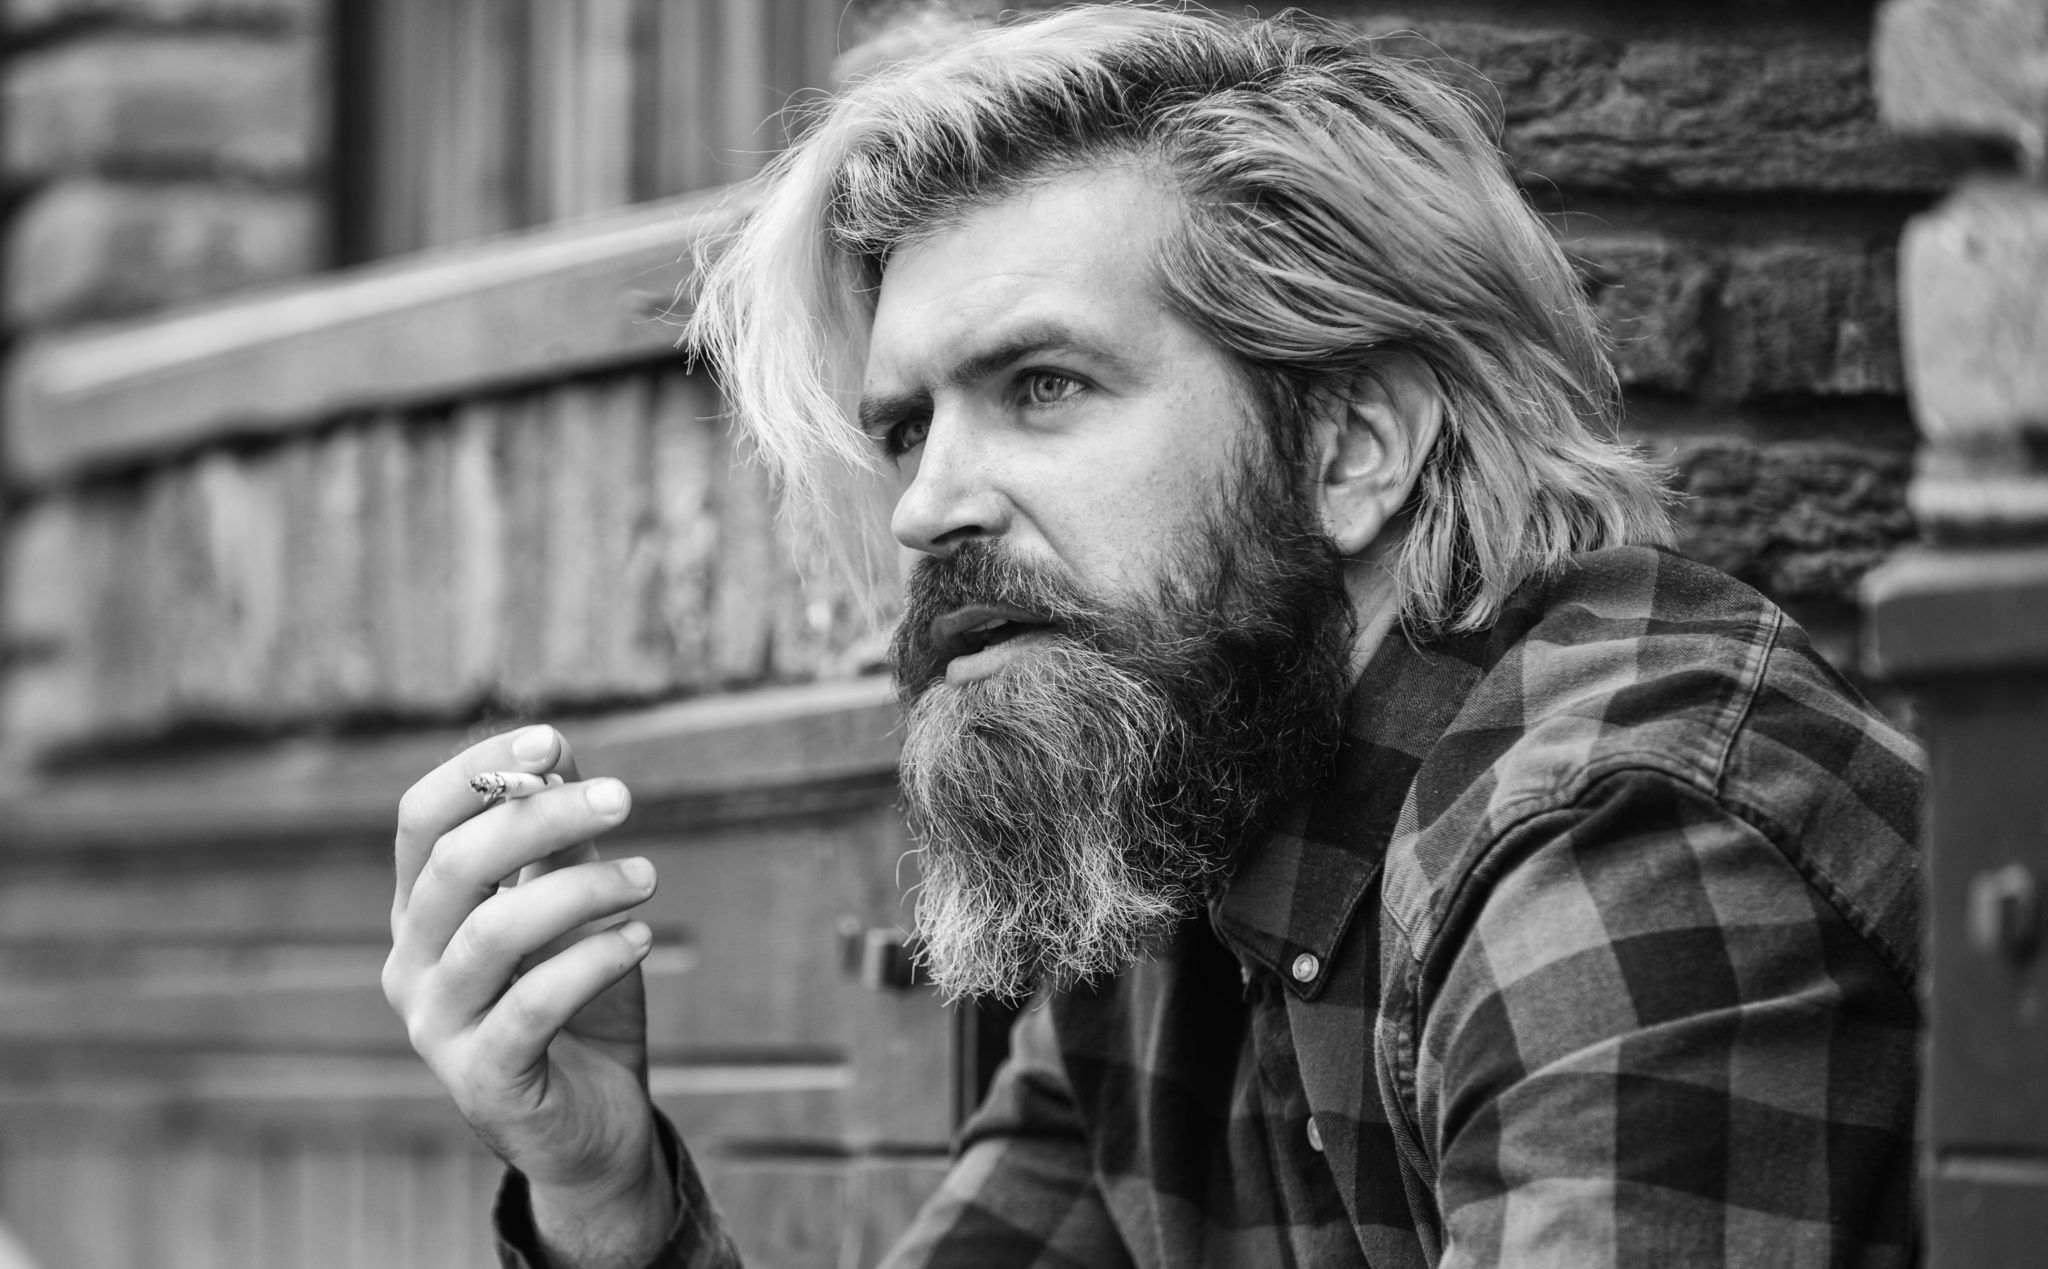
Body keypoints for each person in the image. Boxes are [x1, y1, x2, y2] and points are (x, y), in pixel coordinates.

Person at [381, 7, 1925, 1267]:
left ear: (1351, 448)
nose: (926, 506)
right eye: (907, 427)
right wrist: (606, 1195)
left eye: (1043, 385)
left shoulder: (1624, 836)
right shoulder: (1172, 862)